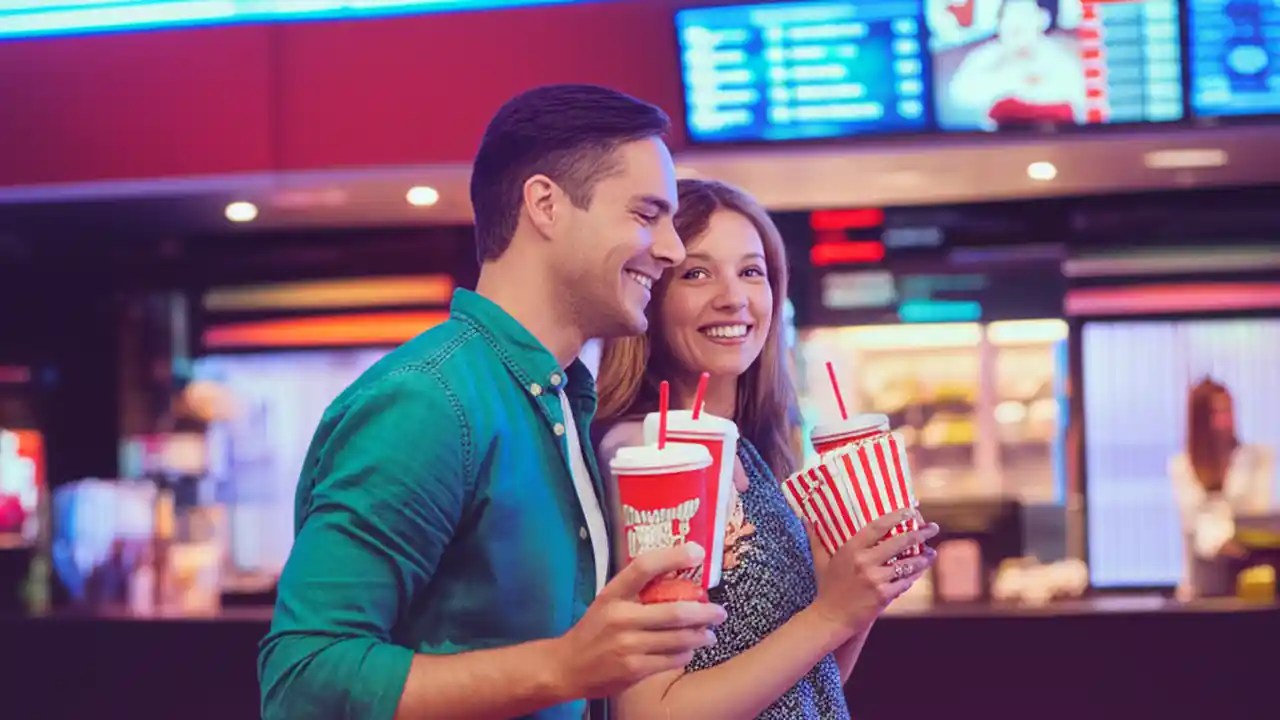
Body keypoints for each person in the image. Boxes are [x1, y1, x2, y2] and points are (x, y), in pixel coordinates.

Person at [258, 85, 730, 720]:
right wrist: (564, 668)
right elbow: (303, 679)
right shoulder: (429, 401)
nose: (672, 250)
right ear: (545, 205)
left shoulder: (559, 398)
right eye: (647, 215)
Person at [594, 179, 939, 719]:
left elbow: (807, 688)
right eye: (697, 272)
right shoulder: (650, 454)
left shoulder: (750, 453)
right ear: (651, 293)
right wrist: (830, 613)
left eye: (751, 271)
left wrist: (859, 598)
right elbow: (651, 713)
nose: (733, 296)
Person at [1170, 378, 1275, 598]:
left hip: (1248, 580)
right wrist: (1223, 539)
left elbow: (1257, 515)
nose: (1224, 421)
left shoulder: (1257, 459)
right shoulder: (1182, 466)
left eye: (1227, 411)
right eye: (1215, 414)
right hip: (1201, 587)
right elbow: (1195, 522)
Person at [947, 0, 1086, 128]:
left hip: (1060, 138)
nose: (1017, 32)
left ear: (1040, 20)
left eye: (1024, 20)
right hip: (1005, 142)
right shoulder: (989, 54)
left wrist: (1037, 86)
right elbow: (960, 93)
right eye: (1010, 24)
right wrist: (1009, 77)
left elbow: (1083, 91)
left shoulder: (1060, 50)